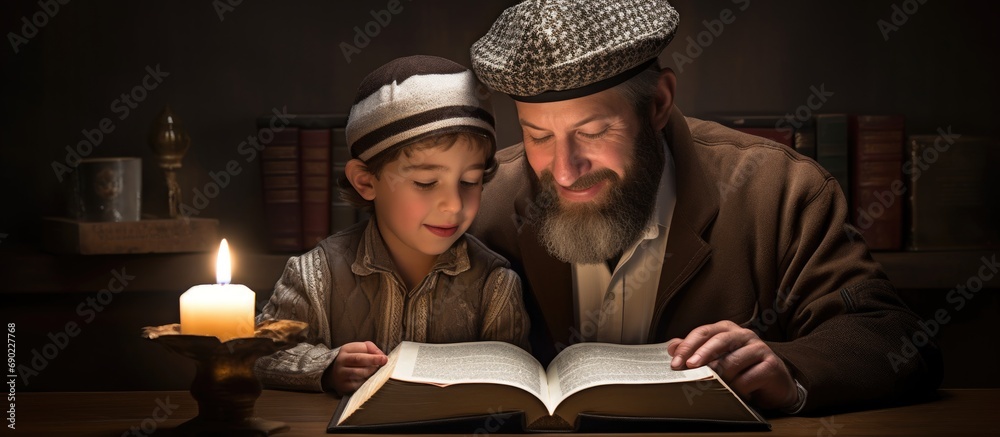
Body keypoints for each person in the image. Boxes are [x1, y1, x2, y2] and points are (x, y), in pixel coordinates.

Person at [468, 0, 942, 413]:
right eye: (538, 136)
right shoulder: (481, 204)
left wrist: (788, 370)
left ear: (658, 103)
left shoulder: (780, 191)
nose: (566, 170)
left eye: (592, 133)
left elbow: (897, 338)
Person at [255, 55, 530, 396]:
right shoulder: (313, 276)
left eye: (470, 181)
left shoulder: (495, 286)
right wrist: (325, 368)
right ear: (366, 181)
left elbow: (512, 389)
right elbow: (260, 355)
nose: (454, 205)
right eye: (427, 182)